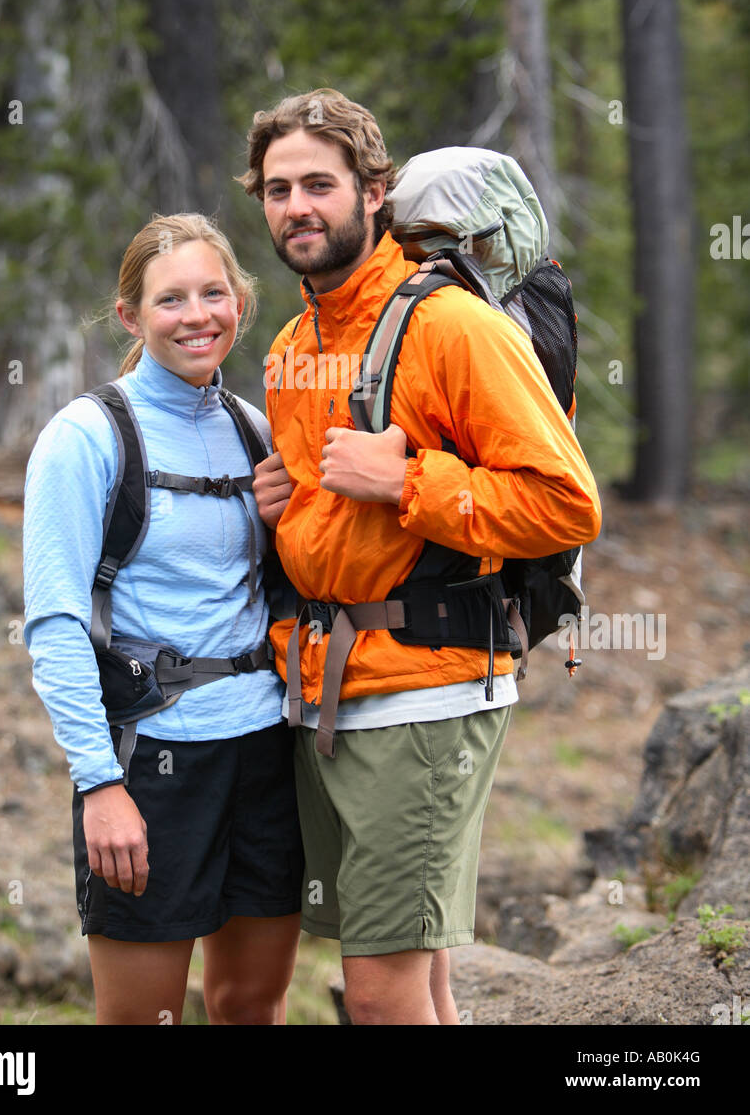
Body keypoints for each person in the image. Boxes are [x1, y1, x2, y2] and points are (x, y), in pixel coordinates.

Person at [243, 89, 602, 1026]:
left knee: (380, 989)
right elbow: (330, 528)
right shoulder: (290, 347)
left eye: (318, 184)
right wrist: (276, 512)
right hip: (328, 690)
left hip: (430, 686)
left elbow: (566, 502)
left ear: (374, 193)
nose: (296, 208)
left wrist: (411, 483)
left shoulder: (454, 328)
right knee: (420, 978)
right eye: (277, 190)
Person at [23, 212, 303, 1026]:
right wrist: (99, 782)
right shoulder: (86, 436)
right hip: (149, 762)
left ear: (240, 304)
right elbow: (55, 625)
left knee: (252, 1003)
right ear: (131, 316)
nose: (196, 316)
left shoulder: (257, 428)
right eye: (171, 299)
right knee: (144, 1018)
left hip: (264, 752)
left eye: (213, 293)